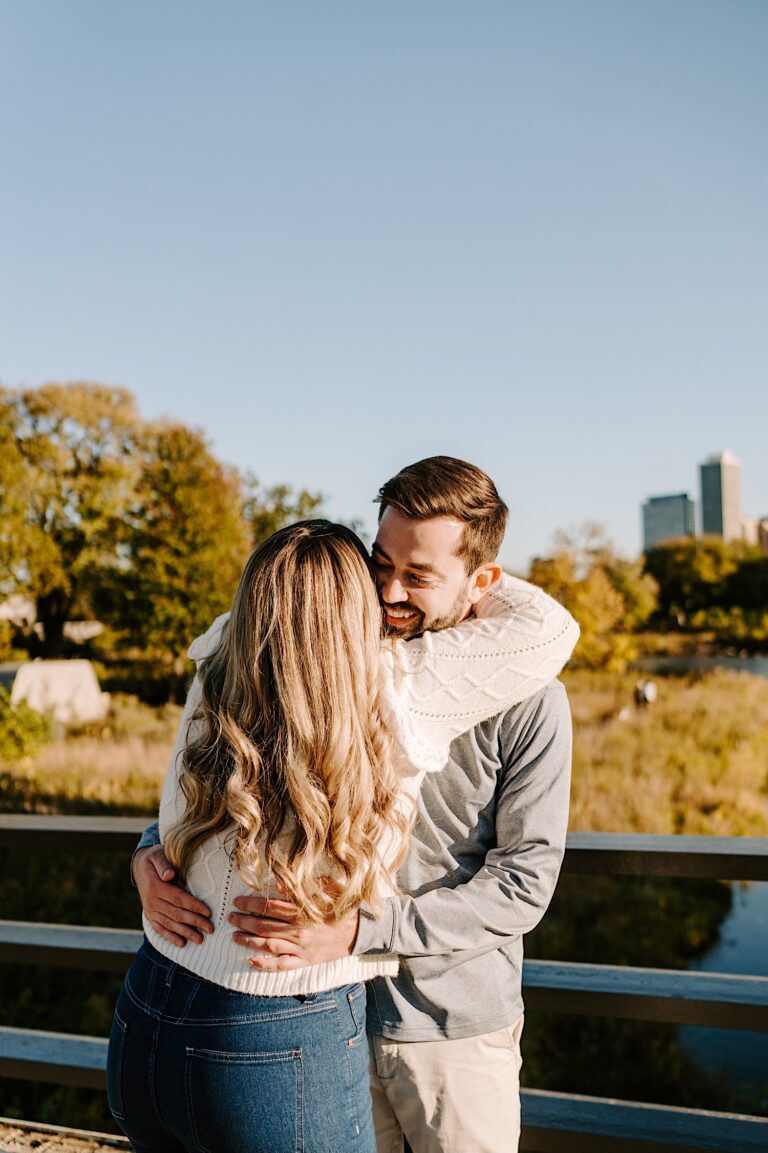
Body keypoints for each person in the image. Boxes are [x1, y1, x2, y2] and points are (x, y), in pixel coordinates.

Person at [132, 458, 577, 1153]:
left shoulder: (529, 699)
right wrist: (149, 852)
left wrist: (362, 930)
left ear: (484, 581)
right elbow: (227, 780)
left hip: (449, 1029)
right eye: (380, 561)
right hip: (318, 1015)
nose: (390, 590)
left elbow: (522, 884)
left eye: (419, 574)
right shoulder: (326, 659)